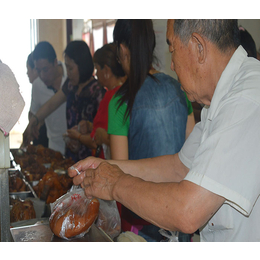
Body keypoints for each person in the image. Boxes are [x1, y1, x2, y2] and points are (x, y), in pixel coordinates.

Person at [69, 19, 260, 242]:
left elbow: (188, 212)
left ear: (199, 47)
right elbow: (179, 167)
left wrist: (115, 183)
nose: (171, 65)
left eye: (172, 49)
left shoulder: (247, 99)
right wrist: (105, 167)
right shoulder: (220, 99)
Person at [106, 19, 192, 242]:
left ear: (123, 49)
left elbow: (119, 173)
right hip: (180, 218)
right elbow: (193, 158)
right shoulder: (181, 90)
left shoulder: (120, 102)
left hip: (140, 224)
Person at [23, 40, 105, 162]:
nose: (68, 72)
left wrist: (80, 138)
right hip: (71, 156)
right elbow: (51, 104)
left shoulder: (97, 92)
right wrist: (34, 120)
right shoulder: (71, 85)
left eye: (70, 68)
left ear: (82, 65)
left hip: (92, 158)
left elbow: (100, 135)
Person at [65, 43, 126, 160]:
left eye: (97, 69)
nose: (96, 74)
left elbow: (97, 139)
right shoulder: (124, 92)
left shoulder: (111, 97)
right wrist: (89, 126)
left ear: (107, 71)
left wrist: (78, 137)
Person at [23, 41, 67, 154]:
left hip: (78, 147)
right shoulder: (37, 85)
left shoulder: (70, 78)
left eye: (45, 70)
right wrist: (34, 125)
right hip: (53, 148)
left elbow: (52, 104)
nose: (42, 75)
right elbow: (34, 113)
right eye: (38, 70)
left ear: (55, 62)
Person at [26, 52, 48, 148]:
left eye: (28, 69)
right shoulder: (36, 86)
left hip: (45, 139)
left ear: (36, 69)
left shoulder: (42, 84)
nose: (27, 73)